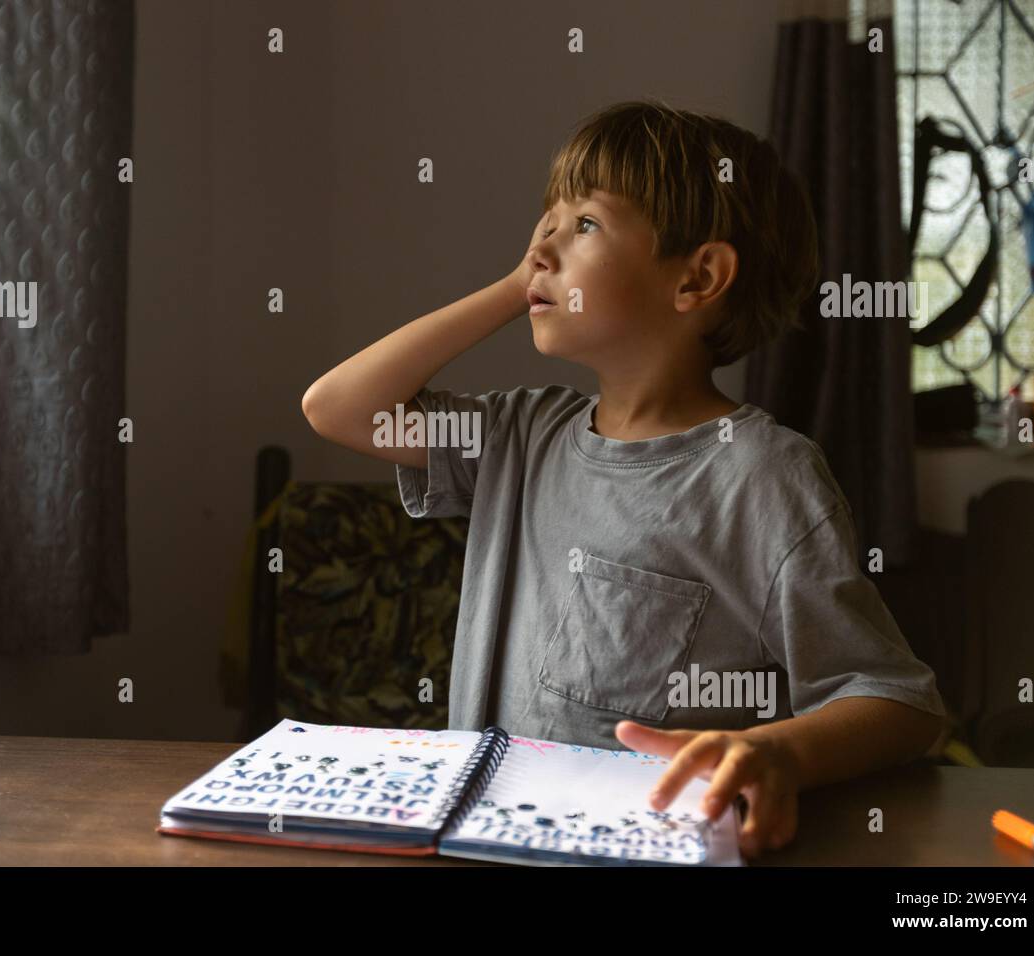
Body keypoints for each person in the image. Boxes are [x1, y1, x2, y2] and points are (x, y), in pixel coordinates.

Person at [301, 100, 946, 857]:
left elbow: (897, 699)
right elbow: (338, 407)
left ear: (698, 276)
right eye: (546, 217)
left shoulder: (761, 476)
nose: (542, 244)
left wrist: (780, 753)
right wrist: (519, 286)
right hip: (478, 845)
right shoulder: (518, 434)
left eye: (584, 225)